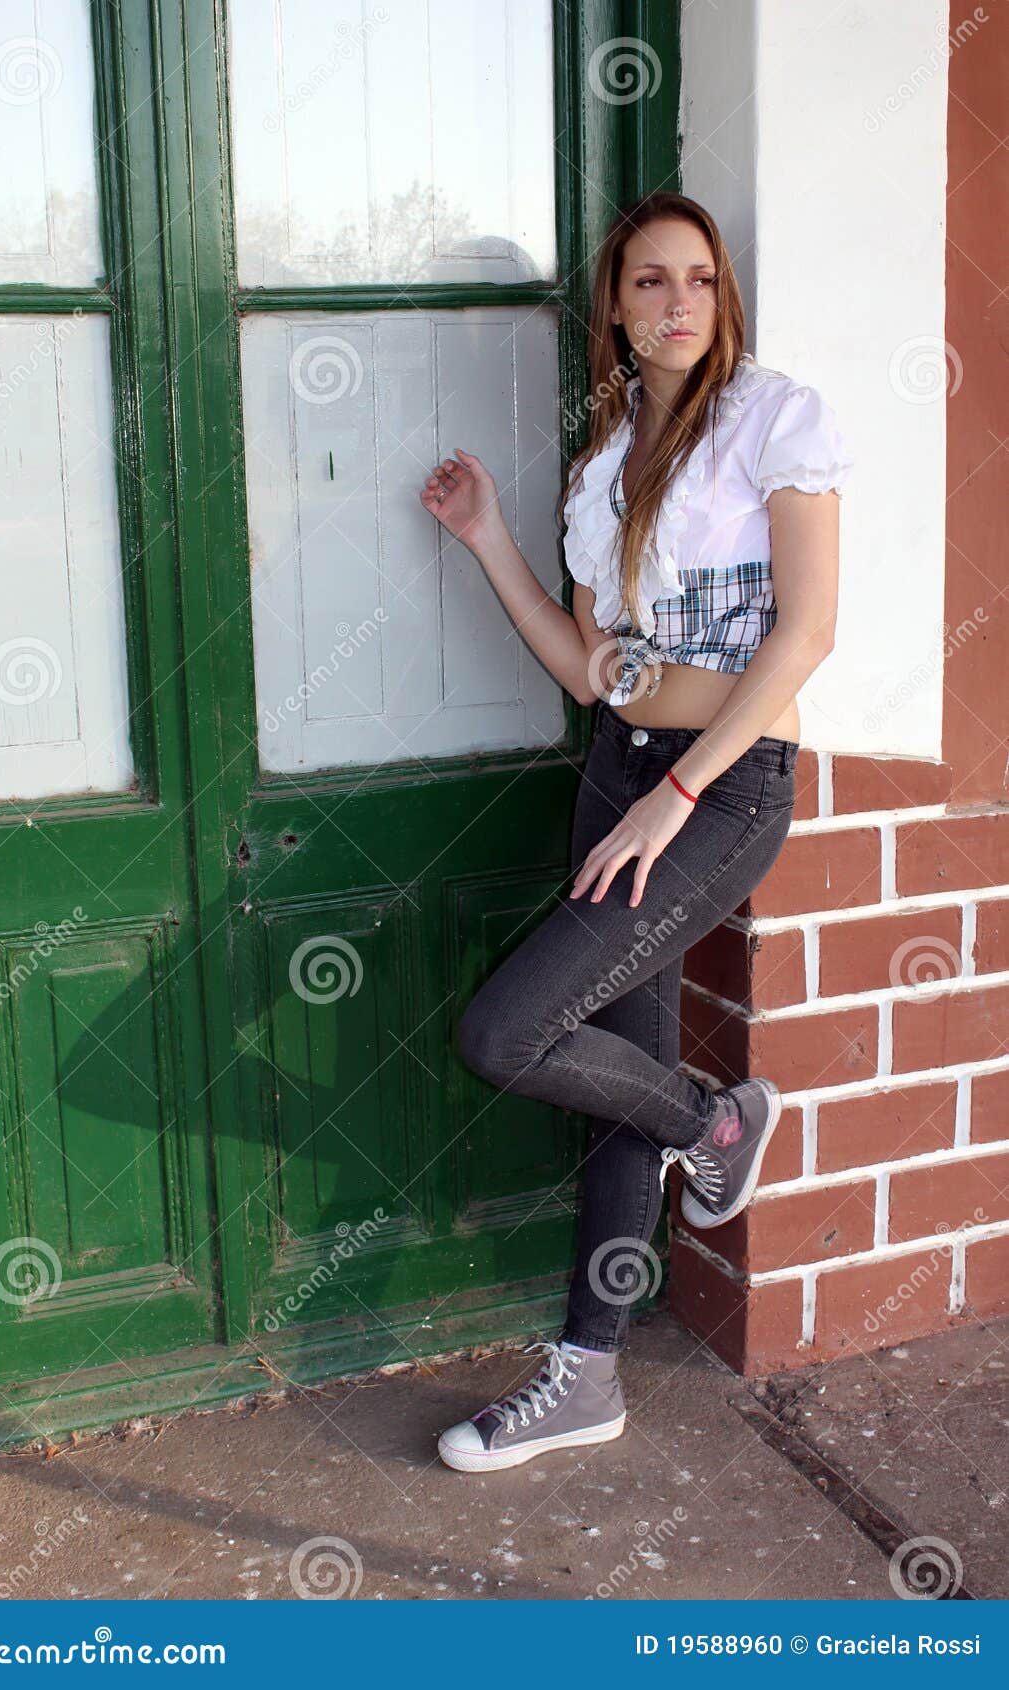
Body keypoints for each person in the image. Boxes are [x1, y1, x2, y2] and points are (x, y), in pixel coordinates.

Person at [418, 190, 853, 1473]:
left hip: (715, 791)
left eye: (699, 281)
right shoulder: (603, 463)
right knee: (615, 1079)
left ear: (722, 298)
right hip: (620, 770)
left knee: (506, 1033)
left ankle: (716, 1121)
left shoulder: (774, 418)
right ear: (613, 303)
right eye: (649, 281)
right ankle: (586, 1375)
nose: (675, 304)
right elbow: (584, 666)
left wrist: (676, 796)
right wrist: (488, 539)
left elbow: (807, 632)